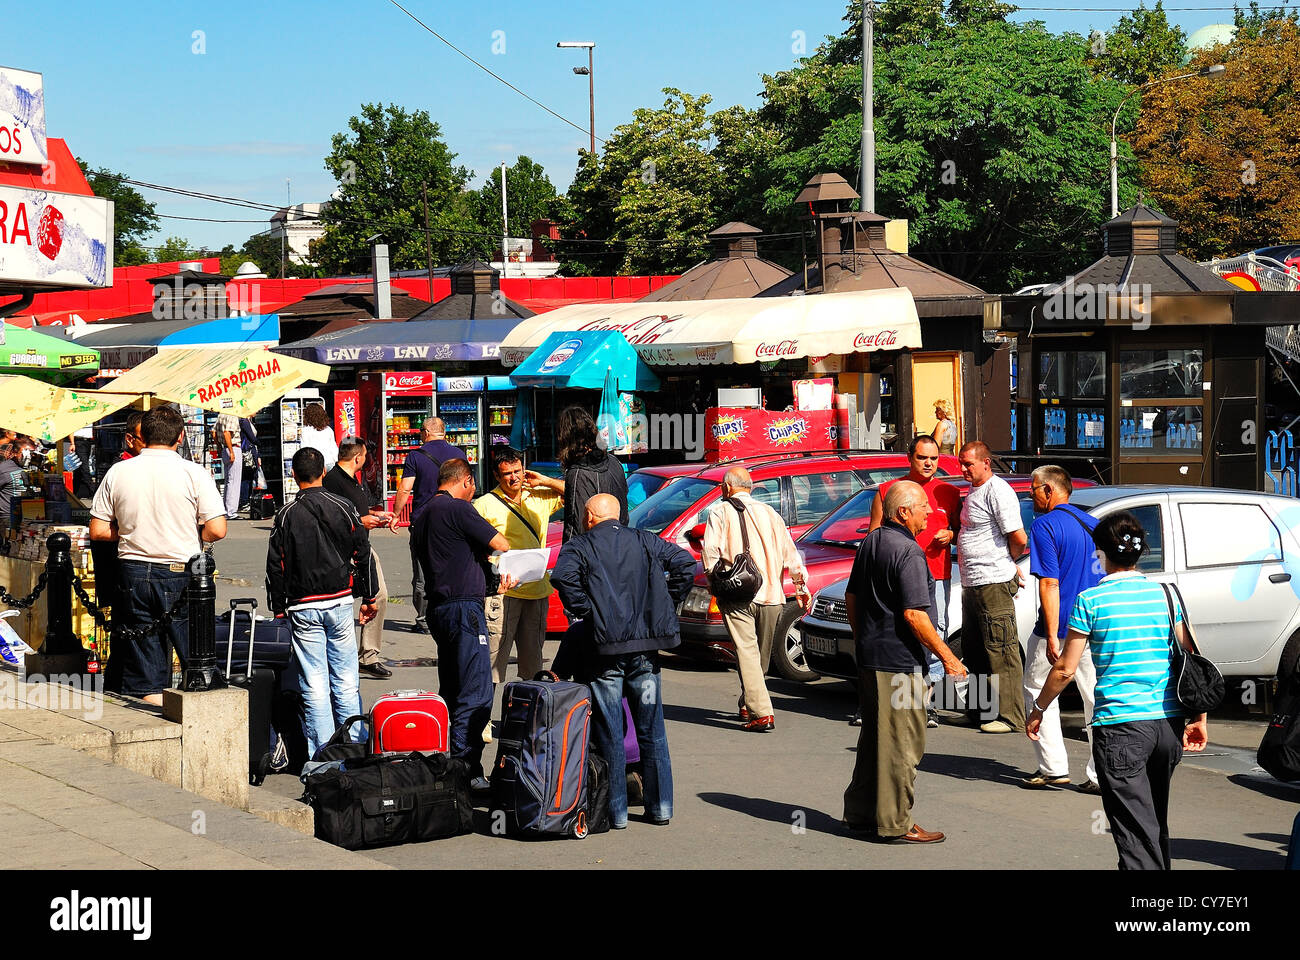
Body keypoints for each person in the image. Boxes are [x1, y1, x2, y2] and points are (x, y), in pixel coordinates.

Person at [1028, 511, 1207, 870]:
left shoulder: (1090, 602)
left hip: (1122, 727)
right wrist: (1199, 717)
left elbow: (1064, 669)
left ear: (1100, 553)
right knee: (1152, 822)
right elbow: (1191, 658)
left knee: (1134, 832)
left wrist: (1039, 708)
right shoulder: (1167, 595)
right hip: (1167, 726)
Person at [552, 493, 695, 828]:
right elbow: (685, 564)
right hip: (644, 650)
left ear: (589, 517)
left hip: (605, 653)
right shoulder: (645, 539)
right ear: (619, 516)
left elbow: (562, 578)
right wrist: (666, 603)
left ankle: (616, 813)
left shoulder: (582, 545)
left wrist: (588, 614)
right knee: (652, 731)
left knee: (610, 732)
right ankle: (660, 808)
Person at [843, 481, 966, 844]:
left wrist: (863, 636)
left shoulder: (871, 541)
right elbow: (915, 615)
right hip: (898, 663)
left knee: (875, 742)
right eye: (923, 507)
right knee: (903, 745)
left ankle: (864, 814)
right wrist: (950, 658)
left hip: (871, 657)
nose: (930, 512)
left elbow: (852, 596)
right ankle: (895, 821)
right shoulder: (909, 551)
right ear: (903, 513)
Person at [89, 406, 227, 704]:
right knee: (197, 661)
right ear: (180, 436)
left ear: (144, 435)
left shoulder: (119, 472)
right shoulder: (193, 472)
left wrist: (130, 530)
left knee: (145, 667)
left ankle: (153, 714)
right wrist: (193, 533)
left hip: (133, 571)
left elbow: (98, 531)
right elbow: (217, 529)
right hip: (180, 570)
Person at [266, 447, 379, 758]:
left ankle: (324, 757)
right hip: (340, 601)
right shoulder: (342, 506)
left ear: (293, 475)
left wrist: (278, 608)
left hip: (302, 605)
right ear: (323, 472)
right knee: (345, 678)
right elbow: (363, 552)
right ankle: (354, 746)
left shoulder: (287, 514)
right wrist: (369, 597)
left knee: (314, 684)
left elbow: (275, 565)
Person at [416, 458, 513, 788]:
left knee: (453, 688)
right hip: (463, 610)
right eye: (473, 487)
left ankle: (447, 760)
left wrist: (485, 577)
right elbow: (501, 543)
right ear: (466, 482)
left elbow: (451, 555)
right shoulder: (458, 508)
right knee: (477, 691)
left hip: (440, 608)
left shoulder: (425, 512)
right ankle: (465, 768)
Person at [701, 466, 811, 732]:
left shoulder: (719, 510)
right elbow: (791, 552)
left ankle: (761, 713)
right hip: (772, 593)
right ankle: (750, 703)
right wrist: (800, 585)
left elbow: (710, 552)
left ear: (726, 488)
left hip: (737, 593)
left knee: (748, 654)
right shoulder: (771, 513)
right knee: (757, 656)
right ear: (750, 487)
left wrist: (712, 582)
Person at [868, 435, 961, 728]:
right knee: (900, 633)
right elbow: (874, 537)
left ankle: (927, 702)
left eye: (934, 458)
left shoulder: (948, 491)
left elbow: (960, 530)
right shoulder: (888, 491)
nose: (929, 463)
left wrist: (951, 536)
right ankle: (887, 699)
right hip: (897, 576)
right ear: (910, 457)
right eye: (923, 458)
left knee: (935, 632)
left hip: (936, 573)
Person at [1022, 465, 1102, 791]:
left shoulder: (1044, 526)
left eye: (1034, 487)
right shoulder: (1094, 523)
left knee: (1038, 689)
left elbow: (1050, 584)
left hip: (1063, 625)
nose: (1030, 493)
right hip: (1096, 623)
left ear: (1049, 491)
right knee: (1095, 695)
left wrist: (1052, 633)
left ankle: (1053, 766)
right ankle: (1101, 773)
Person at [474, 446, 564, 684]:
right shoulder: (484, 504)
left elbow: (576, 491)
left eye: (518, 471)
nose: (514, 477)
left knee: (533, 664)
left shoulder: (539, 494)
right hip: (503, 593)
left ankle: (528, 718)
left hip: (536, 590)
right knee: (493, 662)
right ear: (496, 476)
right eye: (507, 474)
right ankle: (483, 721)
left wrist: (544, 479)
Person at [956, 440, 1027, 733]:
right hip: (972, 581)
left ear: (986, 462)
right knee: (974, 649)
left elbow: (1019, 538)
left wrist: (1005, 562)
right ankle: (980, 711)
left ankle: (1011, 716)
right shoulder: (975, 491)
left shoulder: (998, 491)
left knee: (1001, 648)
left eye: (968, 464)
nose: (963, 469)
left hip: (992, 580)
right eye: (961, 463)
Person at [324, 437, 395, 680]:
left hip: (362, 546)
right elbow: (331, 518)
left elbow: (356, 512)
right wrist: (360, 522)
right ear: (358, 457)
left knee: (380, 594)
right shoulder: (333, 481)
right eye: (365, 455)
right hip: (343, 550)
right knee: (350, 600)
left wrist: (374, 515)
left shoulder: (354, 479)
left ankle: (368, 655)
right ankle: (347, 656)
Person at [391, 417, 465, 634]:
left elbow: (405, 489)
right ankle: (450, 613)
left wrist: (396, 515)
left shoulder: (416, 455)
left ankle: (424, 619)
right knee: (452, 567)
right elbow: (468, 486)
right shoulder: (459, 455)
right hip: (453, 520)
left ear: (425, 432)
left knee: (423, 573)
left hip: (424, 521)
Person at [557, 405, 628, 544]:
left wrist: (569, 559)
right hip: (621, 544)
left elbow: (575, 526)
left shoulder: (577, 473)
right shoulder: (614, 461)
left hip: (594, 552)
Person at [215, 411, 243, 520]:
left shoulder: (221, 415)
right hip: (233, 447)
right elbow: (227, 432)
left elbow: (214, 433)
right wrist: (231, 451)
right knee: (234, 481)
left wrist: (219, 447)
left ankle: (227, 509)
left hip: (225, 448)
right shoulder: (232, 415)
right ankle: (231, 511)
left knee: (228, 480)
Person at [300, 403, 338, 474]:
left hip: (315, 464)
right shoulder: (328, 429)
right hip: (329, 462)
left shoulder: (305, 431)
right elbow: (333, 448)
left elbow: (305, 449)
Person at [0, 441, 24, 529]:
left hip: (28, 514)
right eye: (23, 452)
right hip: (8, 517)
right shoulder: (3, 468)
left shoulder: (28, 467)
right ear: (14, 453)